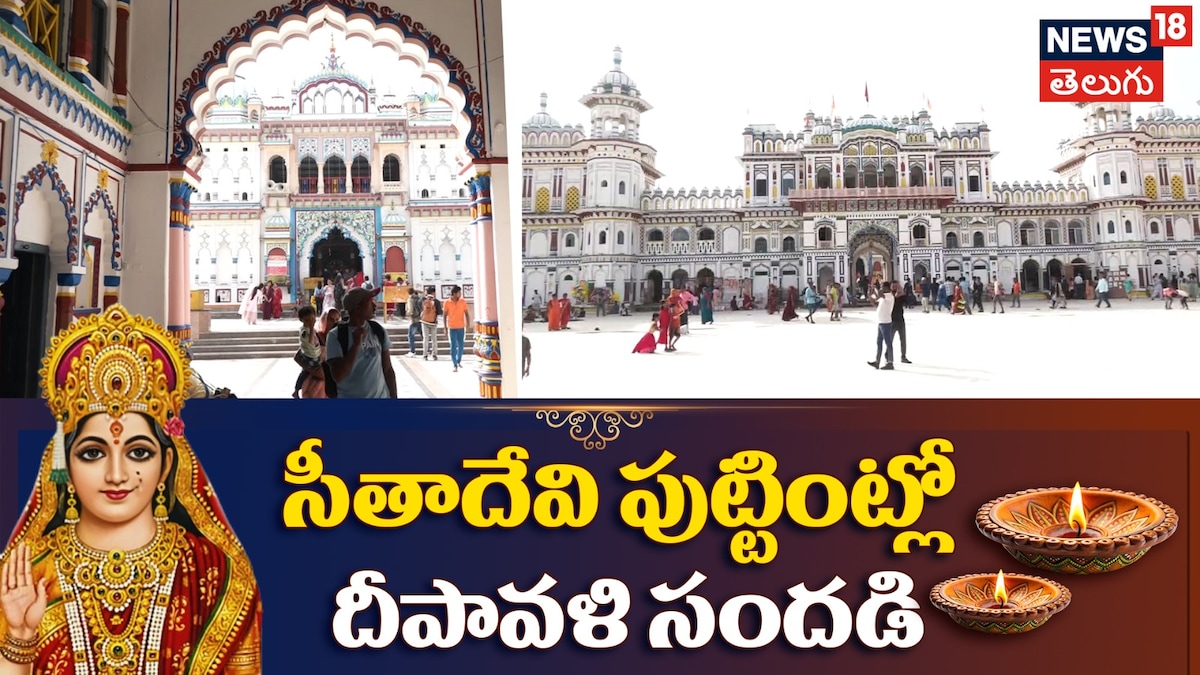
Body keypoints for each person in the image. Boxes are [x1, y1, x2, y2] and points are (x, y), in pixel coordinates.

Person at [0, 305, 261, 673]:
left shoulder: (214, 572)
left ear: (166, 464)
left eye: (138, 452)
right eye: (93, 453)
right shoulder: (28, 574)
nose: (116, 474)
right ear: (63, 465)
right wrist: (19, 639)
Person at [325, 287, 398, 398]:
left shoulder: (377, 330)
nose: (374, 305)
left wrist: (394, 400)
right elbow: (338, 376)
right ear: (357, 308)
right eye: (370, 302)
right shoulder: (335, 335)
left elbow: (388, 370)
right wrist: (355, 345)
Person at [867, 281, 899, 371]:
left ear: (887, 288)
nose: (881, 288)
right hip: (881, 322)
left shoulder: (889, 296)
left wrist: (875, 289)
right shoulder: (883, 296)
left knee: (888, 343)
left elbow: (880, 295)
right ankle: (877, 361)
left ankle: (890, 362)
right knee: (879, 342)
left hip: (886, 322)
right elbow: (874, 303)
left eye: (882, 287)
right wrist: (870, 294)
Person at [292, 305, 323, 398]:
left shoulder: (311, 329)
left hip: (315, 354)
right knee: (306, 371)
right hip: (309, 356)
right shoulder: (304, 331)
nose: (310, 320)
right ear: (302, 319)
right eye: (307, 319)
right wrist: (312, 327)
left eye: (312, 318)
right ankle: (296, 390)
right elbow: (310, 341)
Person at [443, 286, 471, 372]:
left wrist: (468, 324)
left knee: (461, 345)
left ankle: (458, 360)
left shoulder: (462, 302)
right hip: (452, 327)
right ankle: (454, 364)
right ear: (454, 294)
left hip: (461, 327)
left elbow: (466, 313)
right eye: (459, 292)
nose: (460, 294)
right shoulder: (447, 302)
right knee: (453, 346)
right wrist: (445, 327)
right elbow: (444, 315)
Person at [419, 288, 442, 361]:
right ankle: (434, 354)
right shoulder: (436, 301)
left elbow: (419, 307)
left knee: (425, 338)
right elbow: (439, 312)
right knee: (434, 339)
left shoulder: (422, 300)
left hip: (424, 321)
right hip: (433, 322)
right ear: (433, 293)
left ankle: (425, 355)